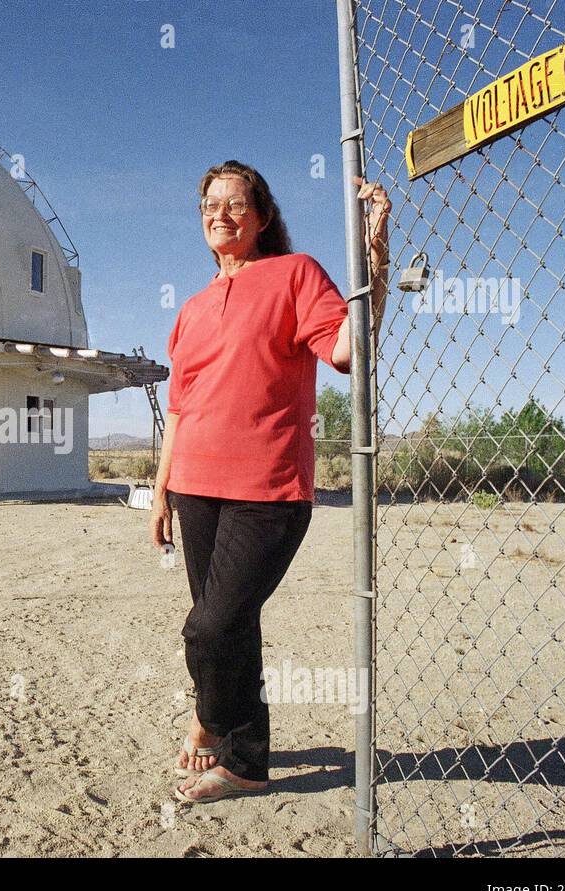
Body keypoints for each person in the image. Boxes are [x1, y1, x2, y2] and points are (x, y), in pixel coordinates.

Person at [150, 160, 391, 803]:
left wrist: (376, 265)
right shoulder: (193, 308)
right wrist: (161, 487)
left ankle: (209, 718)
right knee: (235, 627)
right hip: (195, 485)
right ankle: (247, 761)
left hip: (271, 487)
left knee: (210, 628)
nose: (218, 212)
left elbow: (346, 351)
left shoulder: (295, 274)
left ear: (260, 218)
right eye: (208, 202)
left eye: (234, 202)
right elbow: (179, 407)